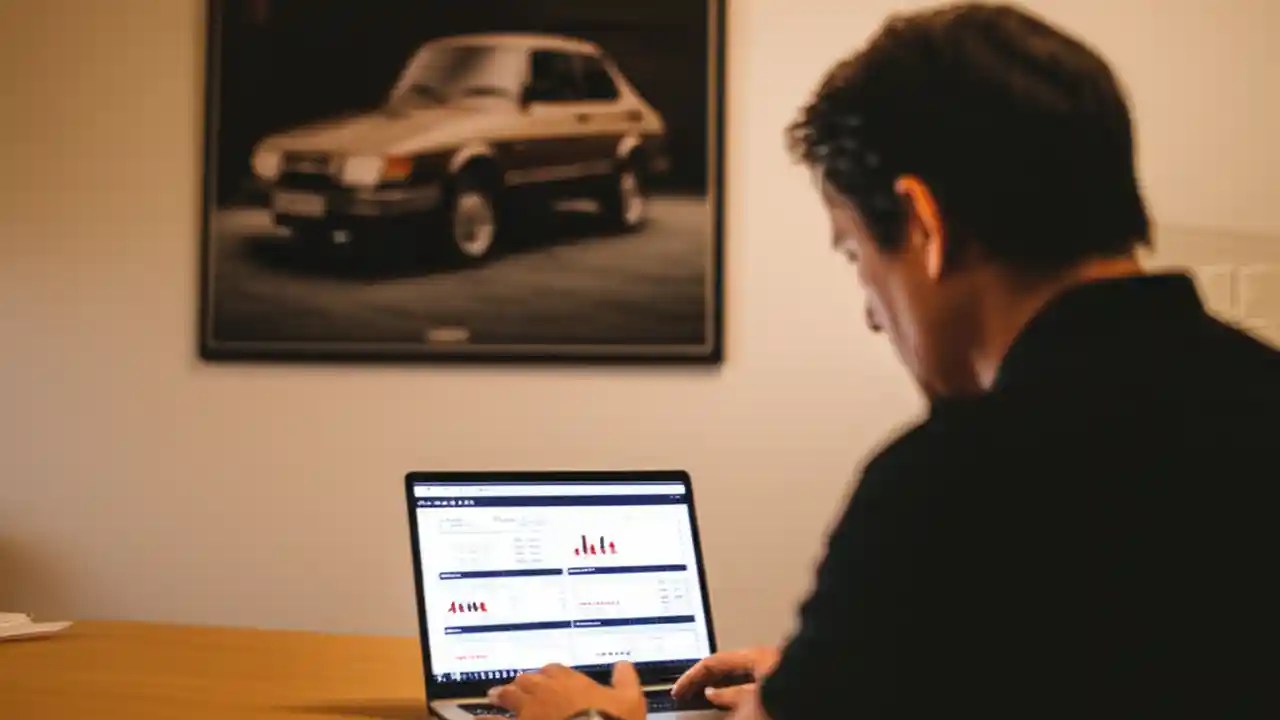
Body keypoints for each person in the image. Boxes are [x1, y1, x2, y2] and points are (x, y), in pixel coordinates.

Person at [482, 3, 1280, 718]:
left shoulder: (949, 484)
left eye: (856, 255)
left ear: (922, 224)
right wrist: (830, 676)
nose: (872, 312)